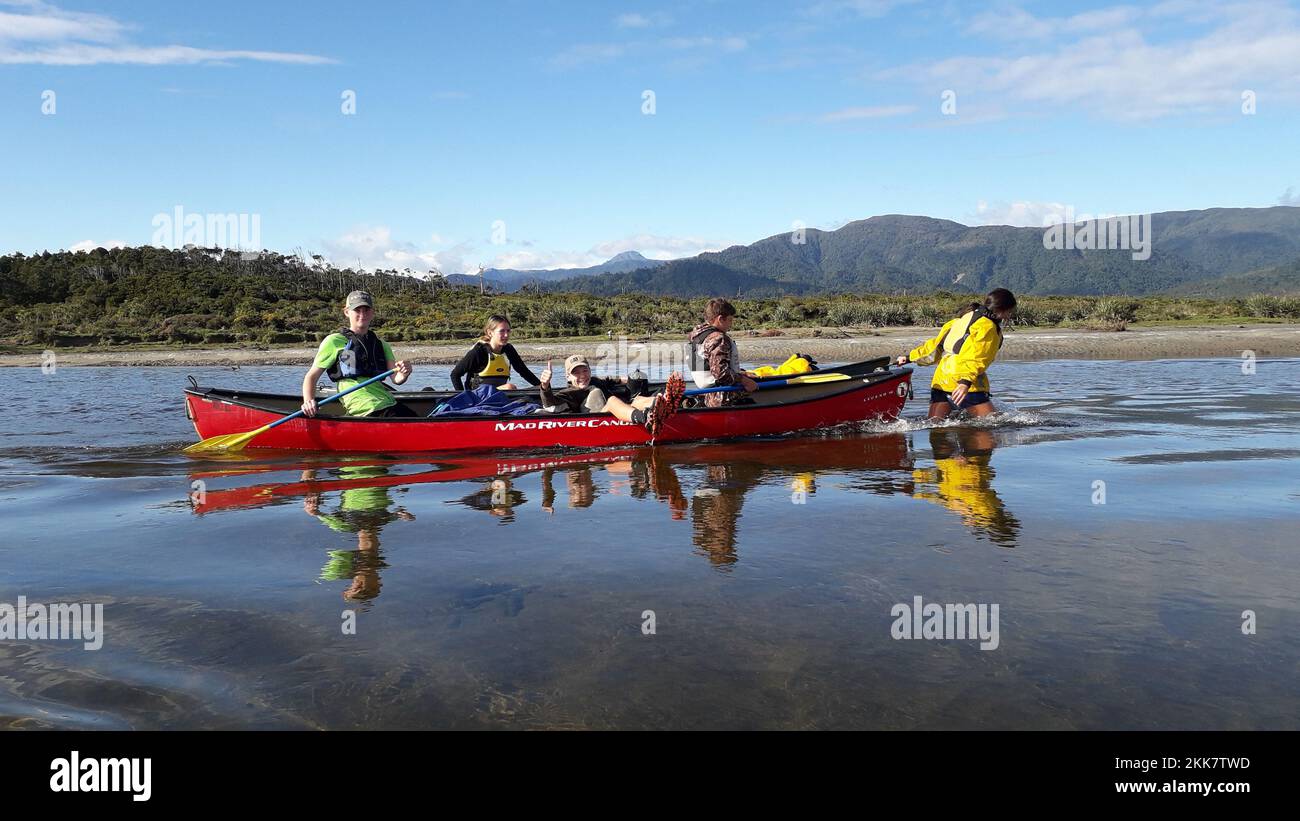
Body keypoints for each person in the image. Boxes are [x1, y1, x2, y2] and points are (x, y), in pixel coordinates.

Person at [896, 288, 1017, 419]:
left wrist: (909, 358)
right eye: (1009, 311)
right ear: (1002, 309)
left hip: (942, 380)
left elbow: (935, 348)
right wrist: (965, 382)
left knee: (935, 428)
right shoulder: (987, 326)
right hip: (966, 384)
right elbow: (977, 356)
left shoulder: (960, 320)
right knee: (992, 427)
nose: (1008, 316)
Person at [301, 290, 415, 418]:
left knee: (417, 415)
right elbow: (311, 377)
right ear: (347, 312)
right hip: (364, 408)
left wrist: (404, 373)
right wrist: (308, 401)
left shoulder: (382, 345)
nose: (362, 314)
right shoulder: (333, 341)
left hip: (388, 403)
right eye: (357, 310)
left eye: (366, 310)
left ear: (372, 312)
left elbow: (396, 379)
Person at [538, 354, 661, 428]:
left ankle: (661, 401)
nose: (582, 376)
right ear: (568, 376)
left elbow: (609, 379)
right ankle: (646, 418)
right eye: (576, 372)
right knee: (612, 401)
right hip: (597, 421)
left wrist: (628, 379)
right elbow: (550, 403)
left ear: (590, 371)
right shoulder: (569, 393)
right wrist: (545, 386)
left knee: (637, 397)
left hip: (617, 412)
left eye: (585, 370)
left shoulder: (595, 381)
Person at [687, 298, 758, 408]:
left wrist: (740, 373)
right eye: (730, 320)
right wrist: (745, 381)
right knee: (754, 388)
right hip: (720, 396)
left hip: (705, 392)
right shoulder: (718, 338)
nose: (731, 324)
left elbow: (711, 365)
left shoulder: (698, 336)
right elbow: (720, 373)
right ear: (720, 319)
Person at [450, 314, 542, 391]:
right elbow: (455, 375)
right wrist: (463, 397)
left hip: (499, 395)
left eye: (508, 331)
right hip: (478, 396)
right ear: (490, 333)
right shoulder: (479, 351)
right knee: (510, 387)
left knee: (539, 388)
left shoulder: (508, 349)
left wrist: (542, 387)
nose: (506, 335)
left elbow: (524, 372)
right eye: (502, 331)